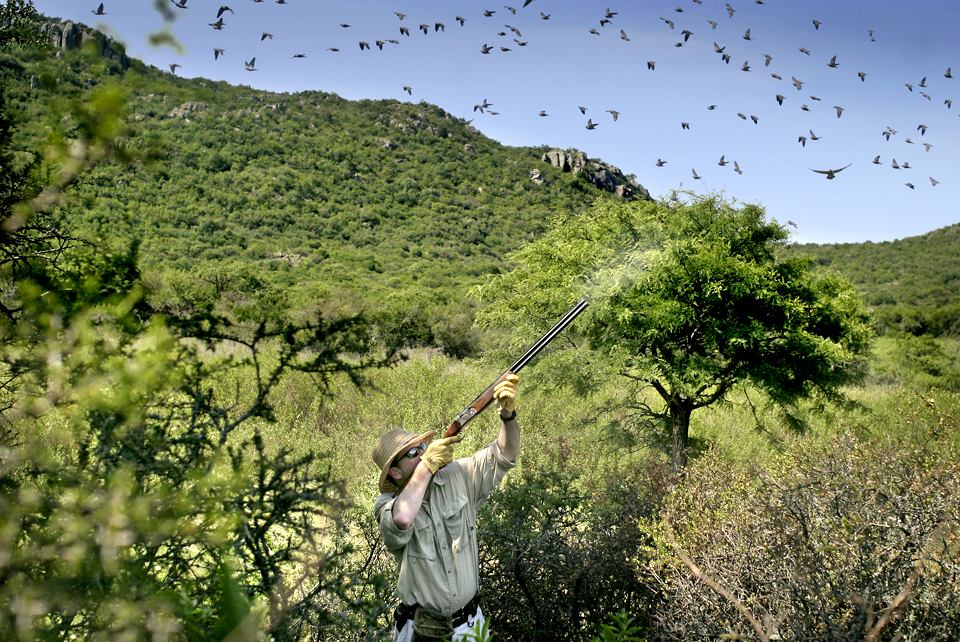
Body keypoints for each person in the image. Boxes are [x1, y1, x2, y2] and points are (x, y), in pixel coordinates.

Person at [371, 373, 521, 641]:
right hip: (422, 630)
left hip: (471, 624)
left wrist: (507, 416)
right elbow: (403, 519)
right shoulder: (389, 504)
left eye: (423, 447)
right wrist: (428, 465)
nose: (423, 452)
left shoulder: (457, 474)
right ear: (394, 472)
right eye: (413, 453)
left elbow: (505, 454)